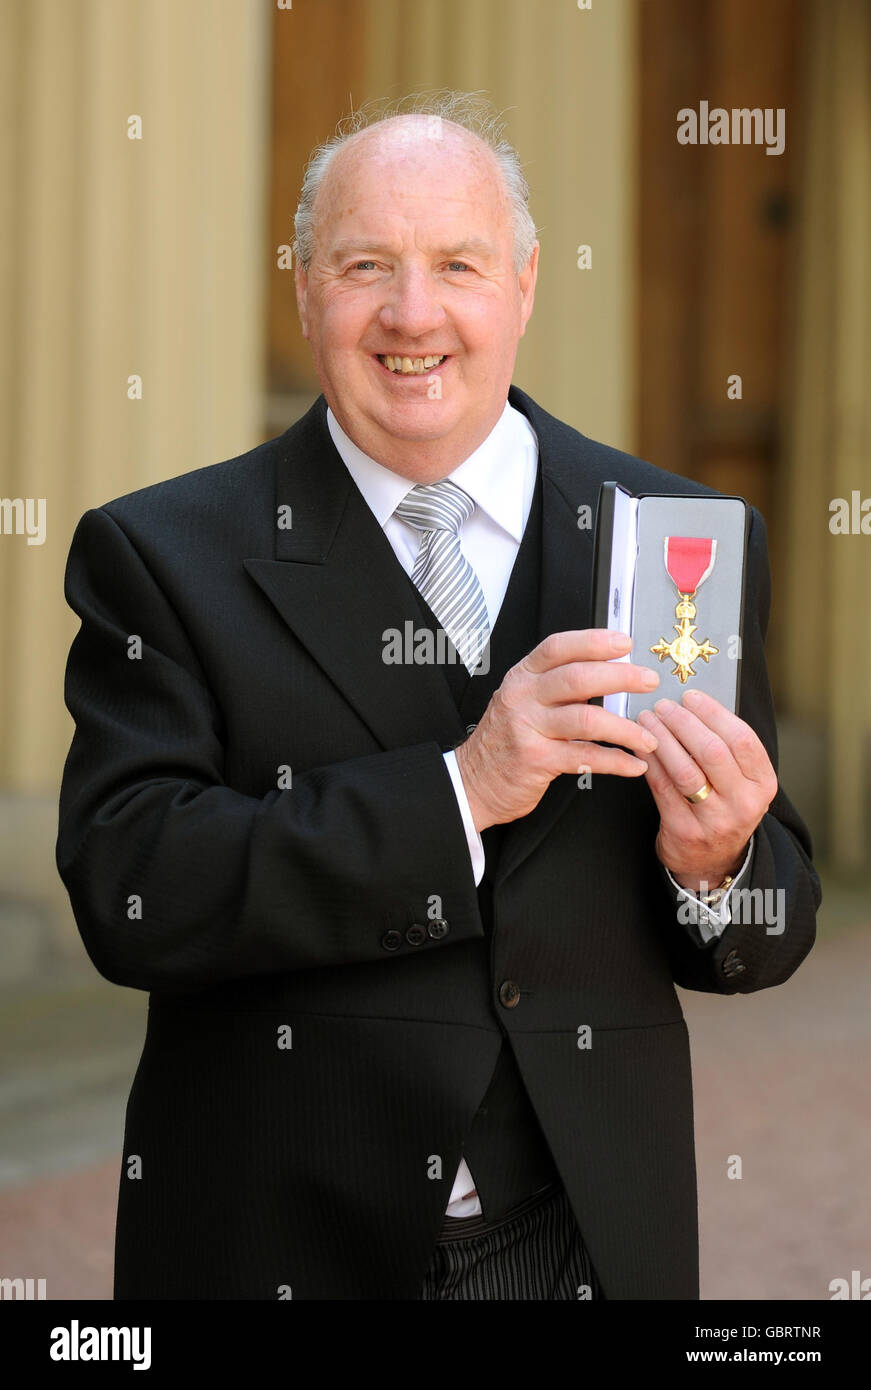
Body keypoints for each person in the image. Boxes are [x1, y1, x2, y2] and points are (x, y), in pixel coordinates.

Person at [56, 92, 819, 1300]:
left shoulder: (679, 538)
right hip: (279, 1242)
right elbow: (131, 890)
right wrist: (460, 790)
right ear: (306, 289)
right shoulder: (161, 554)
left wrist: (717, 866)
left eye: (456, 264)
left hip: (580, 1242)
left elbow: (762, 943)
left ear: (522, 285)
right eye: (366, 266)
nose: (413, 315)